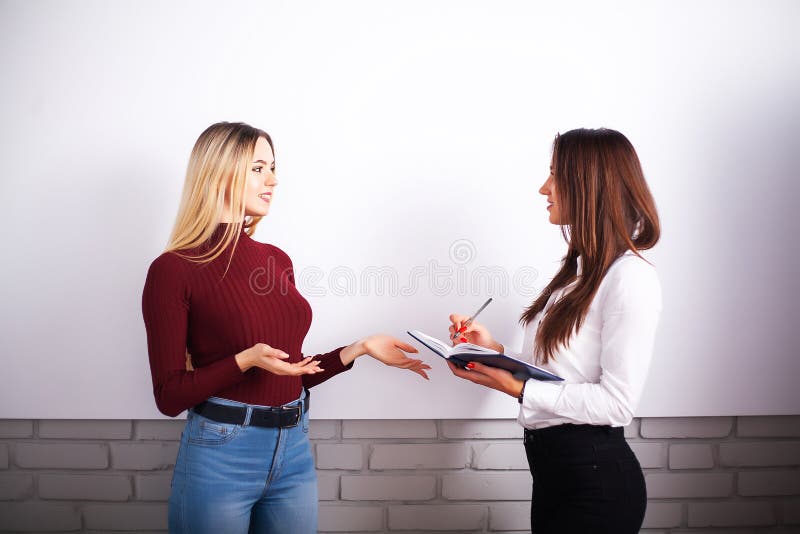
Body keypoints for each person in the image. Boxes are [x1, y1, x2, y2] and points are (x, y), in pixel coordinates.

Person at [141, 121, 430, 534]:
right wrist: (244, 360)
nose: (273, 180)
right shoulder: (173, 269)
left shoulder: (276, 260)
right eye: (258, 168)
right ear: (219, 173)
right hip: (220, 455)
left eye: (273, 168)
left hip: (293, 450)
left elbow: (290, 372)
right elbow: (169, 396)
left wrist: (358, 349)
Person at [447, 128, 662, 533]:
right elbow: (562, 372)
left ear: (589, 186)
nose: (544, 188)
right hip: (554, 476)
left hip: (595, 484)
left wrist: (519, 388)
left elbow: (617, 404)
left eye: (555, 175)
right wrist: (494, 350)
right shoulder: (577, 275)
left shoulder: (630, 278)